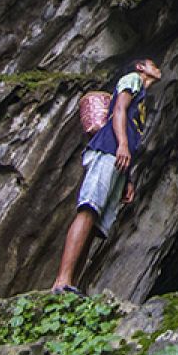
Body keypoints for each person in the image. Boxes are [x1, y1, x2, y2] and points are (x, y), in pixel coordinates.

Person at [52, 58, 163, 294]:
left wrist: (128, 178)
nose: (158, 68)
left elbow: (132, 138)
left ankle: (72, 286)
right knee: (89, 209)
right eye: (152, 64)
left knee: (96, 227)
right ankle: (61, 281)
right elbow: (119, 109)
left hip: (118, 161)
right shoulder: (132, 80)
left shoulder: (143, 98)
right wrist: (121, 143)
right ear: (140, 68)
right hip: (107, 151)